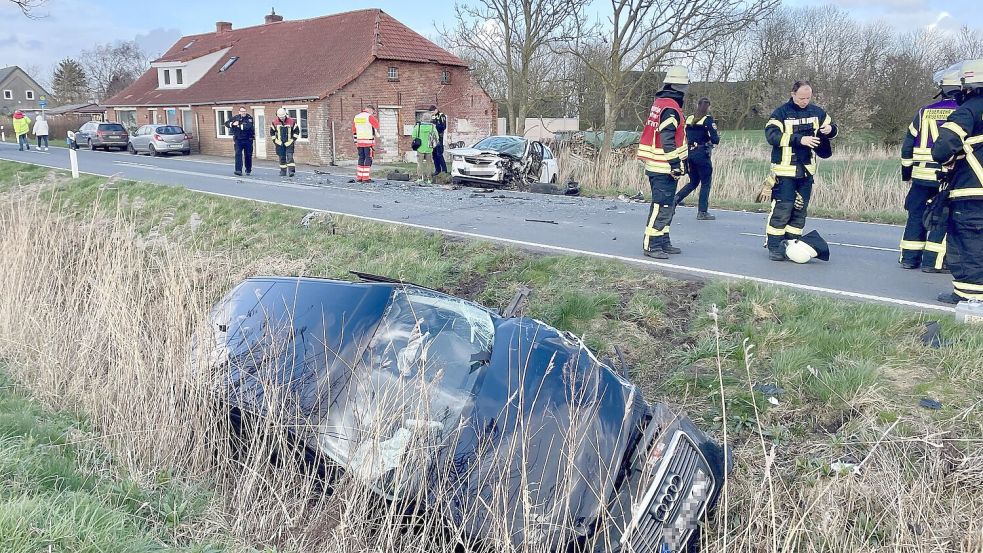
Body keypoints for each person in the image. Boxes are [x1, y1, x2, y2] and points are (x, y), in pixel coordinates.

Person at [763, 81, 837, 261]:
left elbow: (833, 129)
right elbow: (771, 135)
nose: (805, 101)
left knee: (799, 210)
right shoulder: (781, 113)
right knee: (783, 209)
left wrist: (830, 129)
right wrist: (799, 140)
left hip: (806, 171)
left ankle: (791, 244)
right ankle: (774, 246)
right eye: (802, 97)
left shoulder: (817, 112)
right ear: (793, 94)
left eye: (808, 98)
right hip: (784, 171)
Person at [931, 58, 983, 304]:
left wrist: (952, 157)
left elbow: (942, 147)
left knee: (967, 242)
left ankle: (969, 296)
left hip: (972, 191)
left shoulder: (970, 110)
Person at [899, 66, 961, 272]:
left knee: (916, 215)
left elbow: (908, 145)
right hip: (947, 176)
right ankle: (932, 263)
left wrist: (907, 172)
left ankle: (909, 258)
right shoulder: (963, 112)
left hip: (920, 176)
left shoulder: (923, 112)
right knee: (941, 218)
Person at [636, 65, 690, 259]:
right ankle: (652, 244)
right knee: (662, 206)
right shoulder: (671, 108)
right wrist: (676, 163)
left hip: (657, 164)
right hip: (663, 166)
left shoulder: (660, 102)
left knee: (667, 205)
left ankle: (663, 240)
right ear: (682, 87)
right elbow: (667, 138)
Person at [674, 97, 720, 220]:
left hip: (689, 153)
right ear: (708, 107)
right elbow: (716, 140)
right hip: (701, 154)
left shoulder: (688, 118)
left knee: (693, 182)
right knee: (705, 183)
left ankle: (675, 200)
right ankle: (702, 212)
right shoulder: (708, 120)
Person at [352, 105, 380, 182]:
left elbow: (354, 130)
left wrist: (356, 142)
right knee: (368, 158)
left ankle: (359, 177)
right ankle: (365, 178)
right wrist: (373, 117)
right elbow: (377, 125)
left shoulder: (357, 117)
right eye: (373, 112)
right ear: (371, 110)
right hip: (368, 142)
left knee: (361, 158)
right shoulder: (369, 117)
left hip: (359, 142)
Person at [225, 106, 255, 176]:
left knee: (248, 155)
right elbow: (226, 123)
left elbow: (247, 127)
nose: (243, 113)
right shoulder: (235, 118)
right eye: (242, 111)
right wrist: (232, 124)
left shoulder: (249, 118)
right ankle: (238, 170)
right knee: (238, 154)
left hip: (248, 140)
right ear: (239, 112)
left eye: (244, 111)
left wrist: (237, 125)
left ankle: (248, 169)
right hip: (238, 140)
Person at [270, 107, 300, 177]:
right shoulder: (274, 122)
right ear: (277, 116)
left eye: (283, 117)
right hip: (279, 143)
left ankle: (291, 171)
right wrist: (275, 141)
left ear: (285, 115)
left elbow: (297, 131)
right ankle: (283, 171)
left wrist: (292, 140)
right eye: (281, 117)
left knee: (290, 157)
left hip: (289, 143)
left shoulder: (291, 122)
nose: (282, 118)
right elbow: (272, 132)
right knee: (282, 158)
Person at [412, 116, 436, 182]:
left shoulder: (418, 127)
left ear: (422, 119)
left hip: (420, 148)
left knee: (420, 163)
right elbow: (436, 137)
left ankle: (419, 178)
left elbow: (413, 136)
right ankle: (429, 179)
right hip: (429, 148)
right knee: (429, 164)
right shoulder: (432, 127)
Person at [431, 105, 448, 177]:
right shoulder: (432, 116)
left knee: (439, 154)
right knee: (434, 154)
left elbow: (443, 127)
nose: (432, 113)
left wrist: (436, 125)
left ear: (436, 110)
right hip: (433, 138)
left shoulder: (442, 116)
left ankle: (444, 170)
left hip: (439, 138)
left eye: (433, 111)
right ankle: (437, 170)